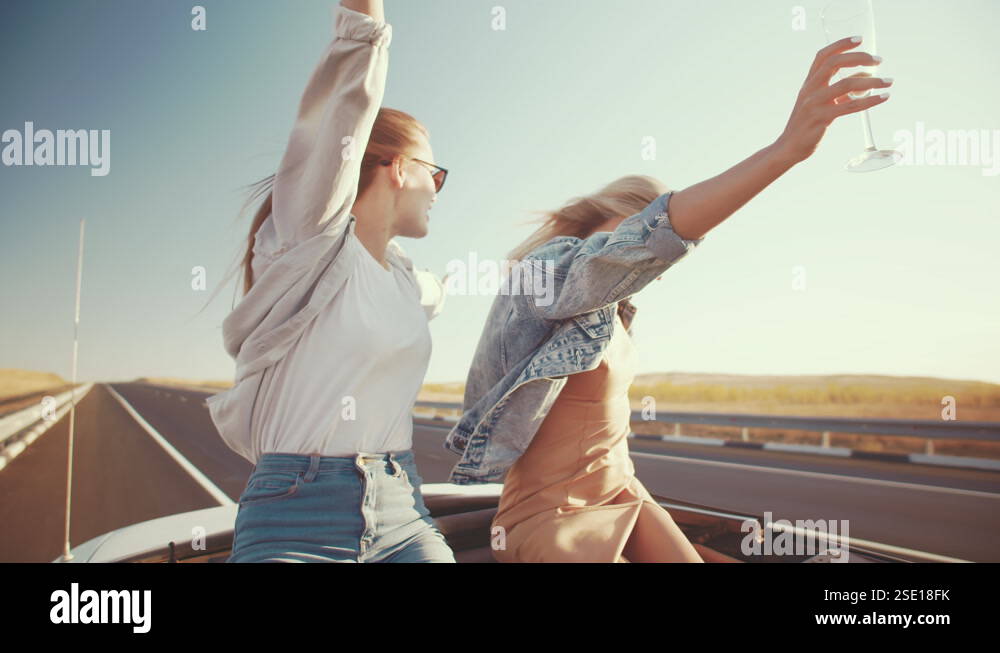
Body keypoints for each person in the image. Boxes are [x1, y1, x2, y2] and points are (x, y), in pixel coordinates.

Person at [442, 36, 893, 562]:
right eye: (626, 229)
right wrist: (785, 150)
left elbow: (605, 440)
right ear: (596, 223)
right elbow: (641, 244)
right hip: (550, 519)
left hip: (625, 496)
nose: (639, 261)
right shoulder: (542, 279)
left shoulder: (615, 312)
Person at [208, 0, 455, 562]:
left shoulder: (407, 283)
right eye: (434, 172)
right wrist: (366, 25)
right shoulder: (310, 241)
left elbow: (449, 290)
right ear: (398, 167)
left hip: (402, 511)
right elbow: (352, 84)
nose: (439, 189)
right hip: (296, 514)